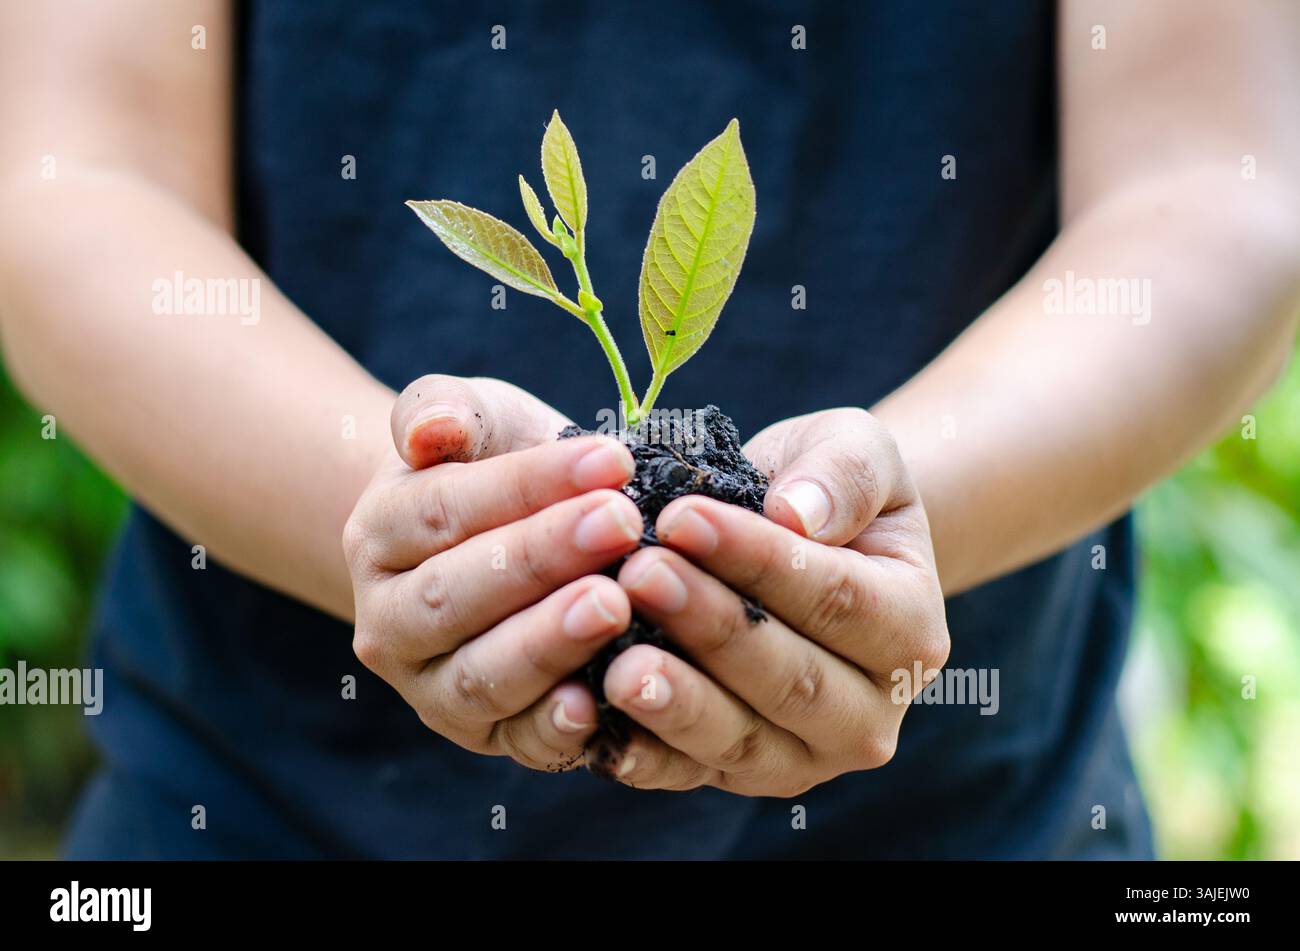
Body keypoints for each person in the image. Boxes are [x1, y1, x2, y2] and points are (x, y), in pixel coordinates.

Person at [0, 1, 1295, 859]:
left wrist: (874, 521)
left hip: (971, 818)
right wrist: (410, 515)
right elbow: (73, 180)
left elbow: (1211, 186)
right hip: (257, 808)